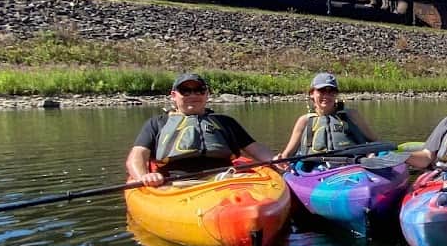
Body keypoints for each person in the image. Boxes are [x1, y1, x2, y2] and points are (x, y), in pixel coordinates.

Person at [126, 73, 277, 187]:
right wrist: (144, 177)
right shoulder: (156, 123)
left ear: (206, 94)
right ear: (173, 96)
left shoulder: (225, 122)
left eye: (199, 90)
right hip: (176, 184)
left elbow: (256, 149)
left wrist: (276, 161)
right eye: (185, 91)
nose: (193, 95)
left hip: (225, 179)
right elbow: (137, 156)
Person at [275, 72, 378, 160]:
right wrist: (280, 159)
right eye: (322, 90)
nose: (327, 95)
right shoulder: (304, 121)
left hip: (351, 165)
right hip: (316, 170)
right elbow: (287, 154)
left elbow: (375, 141)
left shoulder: (351, 115)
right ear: (312, 93)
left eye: (331, 91)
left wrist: (371, 154)